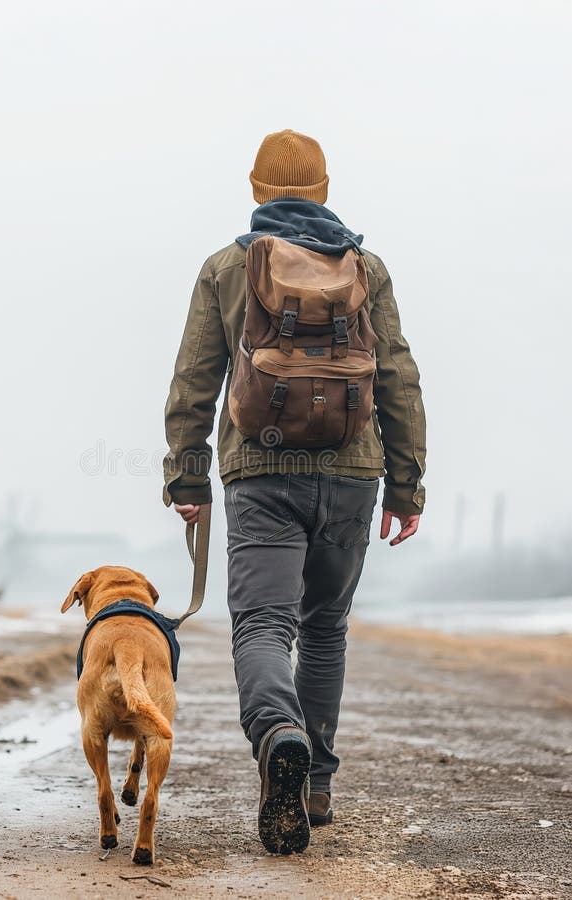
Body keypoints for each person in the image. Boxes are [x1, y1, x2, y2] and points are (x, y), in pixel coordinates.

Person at [163, 129, 426, 854]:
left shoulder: (226, 267)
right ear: (323, 190)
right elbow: (397, 376)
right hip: (352, 471)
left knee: (261, 627)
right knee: (324, 627)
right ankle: (314, 784)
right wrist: (406, 485)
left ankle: (277, 733)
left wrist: (186, 474)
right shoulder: (365, 267)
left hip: (259, 472)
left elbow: (193, 381)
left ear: (255, 191)